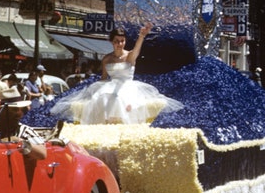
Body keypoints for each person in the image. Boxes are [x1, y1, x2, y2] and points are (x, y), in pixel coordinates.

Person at [50, 24, 182, 125]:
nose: (120, 44)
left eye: (122, 41)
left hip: (128, 86)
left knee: (118, 99)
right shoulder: (106, 59)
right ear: (112, 42)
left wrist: (142, 36)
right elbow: (103, 78)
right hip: (110, 86)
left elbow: (137, 49)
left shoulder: (129, 56)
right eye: (117, 41)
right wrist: (93, 92)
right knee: (100, 98)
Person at [0, 90, 47, 160]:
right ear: (1, 111)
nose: (19, 114)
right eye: (14, 110)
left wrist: (18, 141)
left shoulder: (25, 131)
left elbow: (42, 154)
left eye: (21, 110)